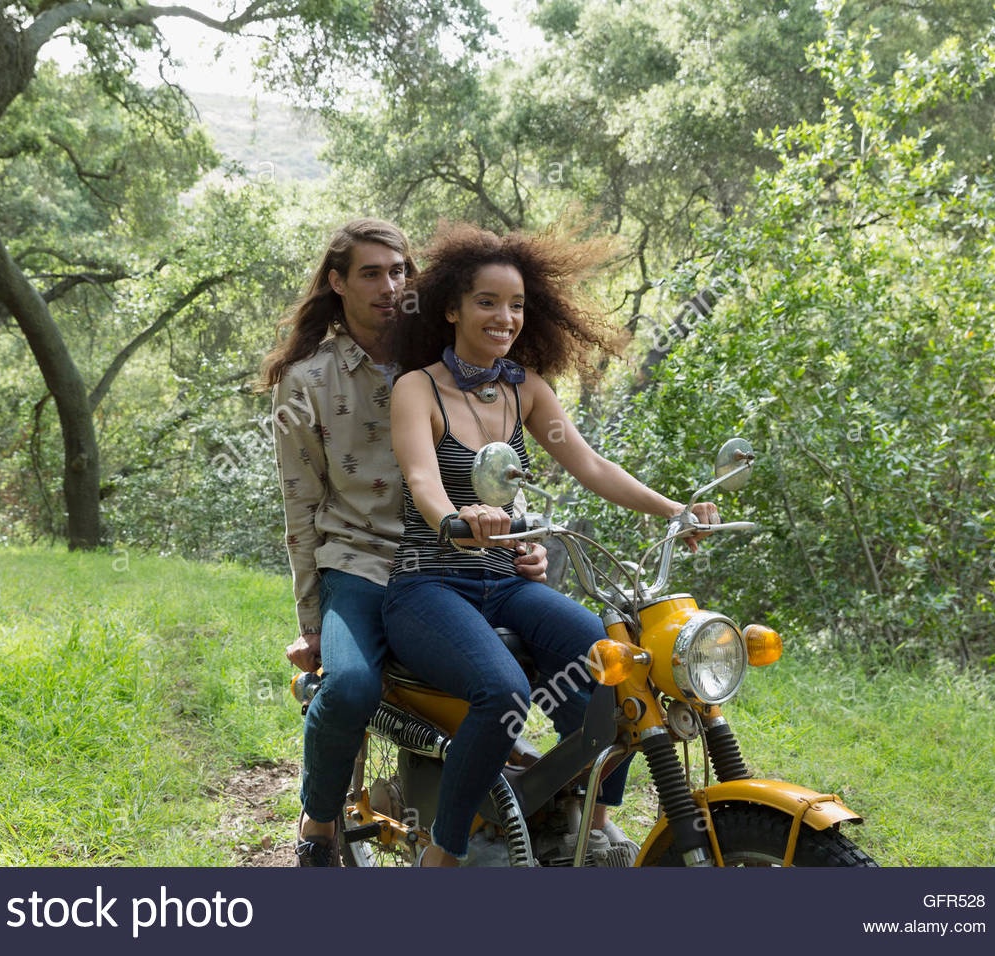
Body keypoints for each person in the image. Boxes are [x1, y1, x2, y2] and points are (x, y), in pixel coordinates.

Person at [383, 223, 719, 867]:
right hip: (428, 583)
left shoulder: (524, 389)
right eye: (486, 302)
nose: (504, 317)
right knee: (503, 691)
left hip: (506, 580)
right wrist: (458, 518)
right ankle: (442, 856)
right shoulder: (416, 389)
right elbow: (423, 479)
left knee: (612, 662)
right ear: (452, 307)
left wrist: (676, 510)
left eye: (516, 305)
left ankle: (585, 822)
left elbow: (590, 467)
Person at [258, 218, 550, 866]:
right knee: (354, 685)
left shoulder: (440, 356)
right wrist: (310, 625)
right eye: (371, 273)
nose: (390, 286)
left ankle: (547, 809)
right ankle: (320, 818)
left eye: (400, 271)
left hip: (456, 562)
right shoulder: (307, 382)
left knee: (566, 657)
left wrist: (521, 535)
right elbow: (301, 507)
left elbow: (494, 459)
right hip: (358, 563)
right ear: (337, 282)